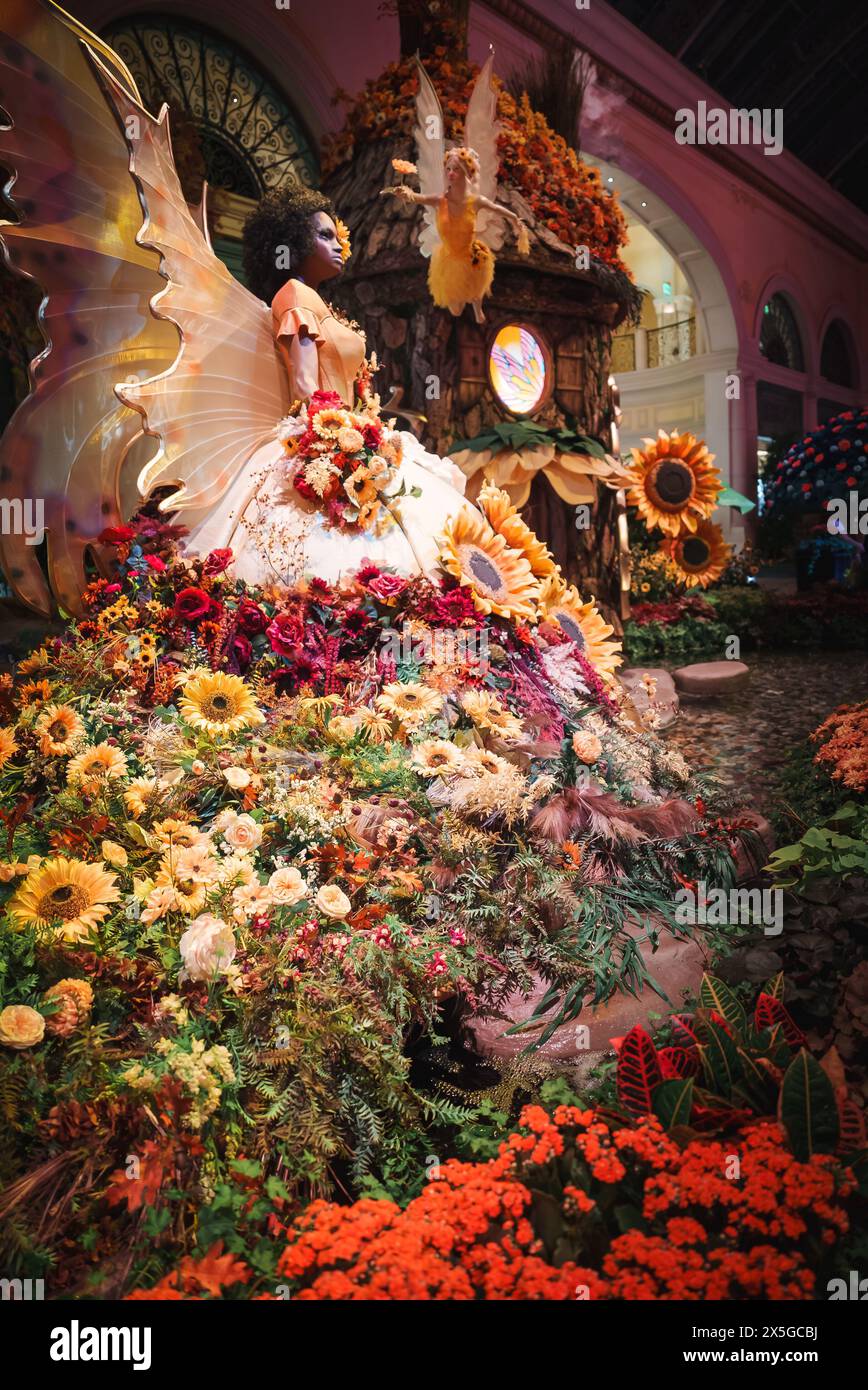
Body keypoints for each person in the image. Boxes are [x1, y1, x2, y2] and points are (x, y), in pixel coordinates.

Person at [171, 187, 470, 587]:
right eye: (324, 236)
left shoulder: (317, 301)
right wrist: (341, 447)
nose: (338, 245)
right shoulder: (295, 294)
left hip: (354, 433)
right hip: (326, 438)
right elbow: (305, 383)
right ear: (293, 243)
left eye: (337, 236)